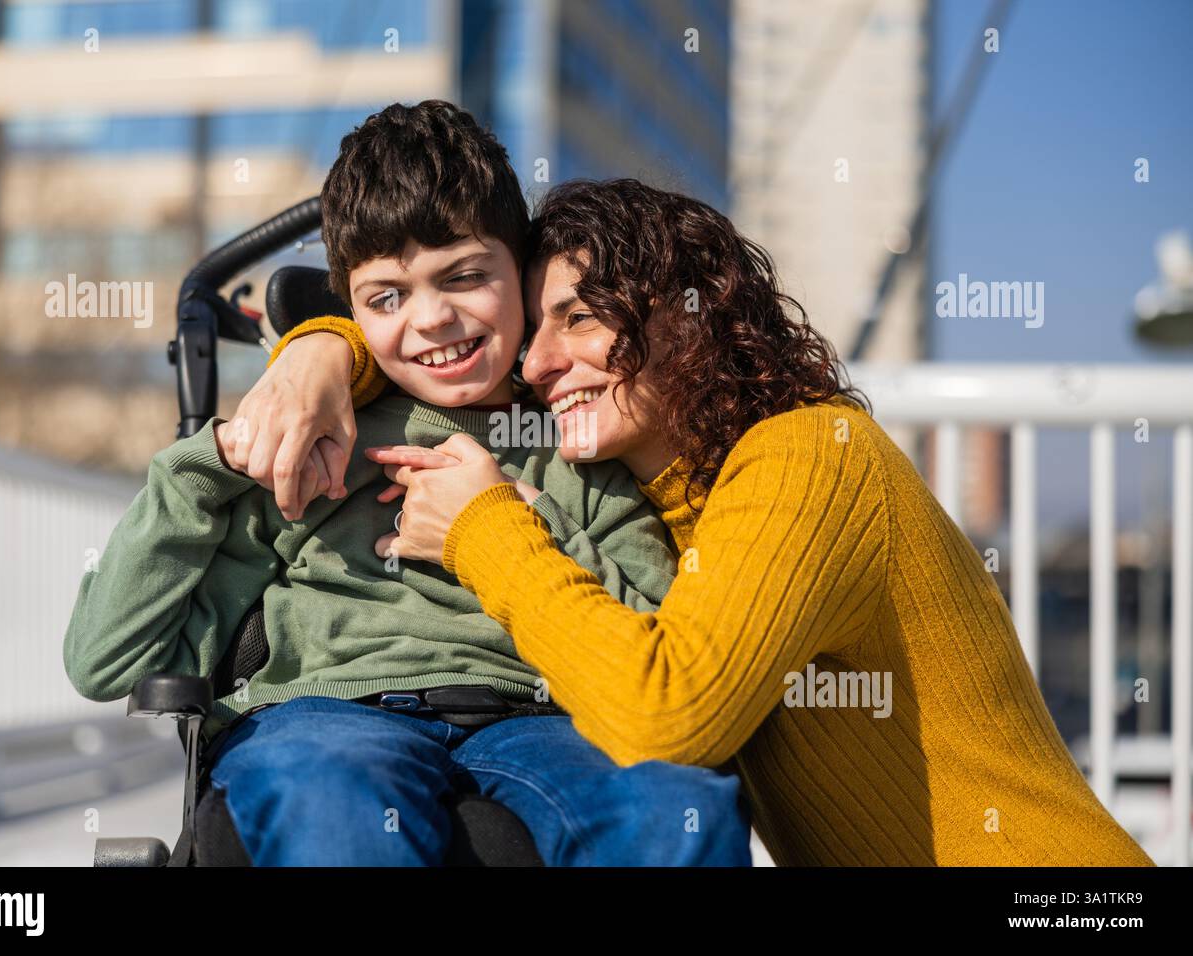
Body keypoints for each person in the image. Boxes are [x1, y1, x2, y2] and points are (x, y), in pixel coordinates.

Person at [244, 177, 1155, 866]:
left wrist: (487, 529)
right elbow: (440, 341)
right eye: (535, 330)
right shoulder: (666, 507)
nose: (541, 360)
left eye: (579, 317)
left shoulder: (810, 456)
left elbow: (665, 716)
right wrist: (320, 352)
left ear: (689, 314)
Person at [63, 107, 752, 867]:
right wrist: (209, 462)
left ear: (520, 273)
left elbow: (652, 636)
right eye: (386, 297)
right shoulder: (320, 440)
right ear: (349, 308)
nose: (431, 318)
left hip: (543, 715)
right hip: (327, 709)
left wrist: (530, 528)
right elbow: (106, 661)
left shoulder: (578, 440)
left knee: (671, 809)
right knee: (327, 799)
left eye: (464, 276)